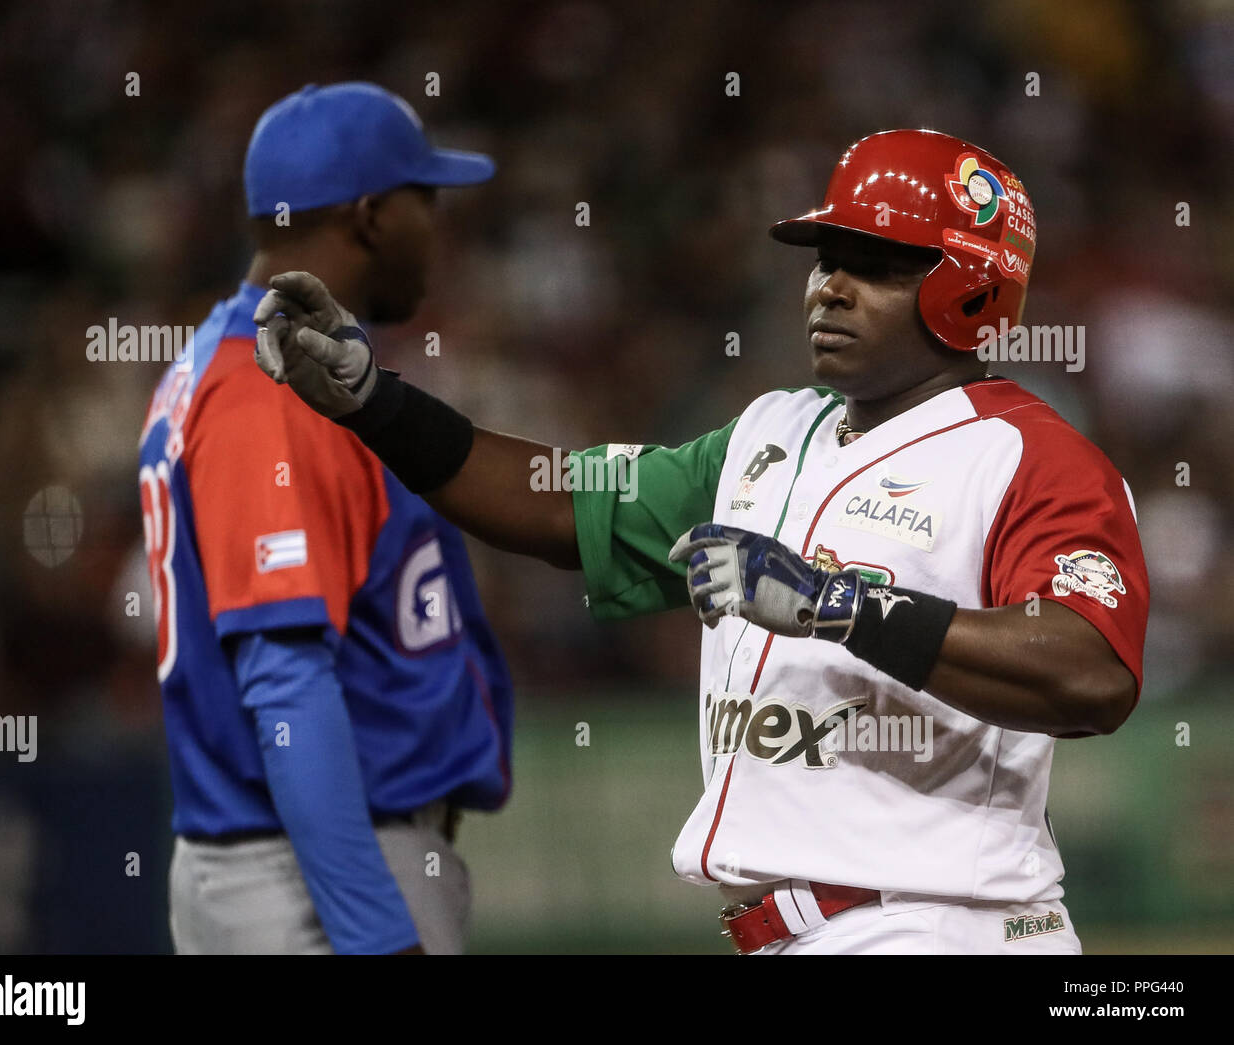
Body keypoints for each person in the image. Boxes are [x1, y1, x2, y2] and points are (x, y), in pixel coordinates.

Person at [252, 129, 1149, 955]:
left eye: (871, 264)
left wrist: (836, 605)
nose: (827, 286)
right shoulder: (771, 433)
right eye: (824, 260)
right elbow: (562, 503)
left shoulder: (1028, 455)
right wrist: (378, 402)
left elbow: (1091, 672)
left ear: (969, 286)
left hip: (943, 924)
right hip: (805, 931)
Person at [137, 82, 513, 955]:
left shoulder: (241, 362)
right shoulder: (268, 391)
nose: (438, 224)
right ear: (373, 215)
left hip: (306, 861)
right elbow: (286, 685)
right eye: (427, 199)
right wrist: (378, 936)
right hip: (313, 879)